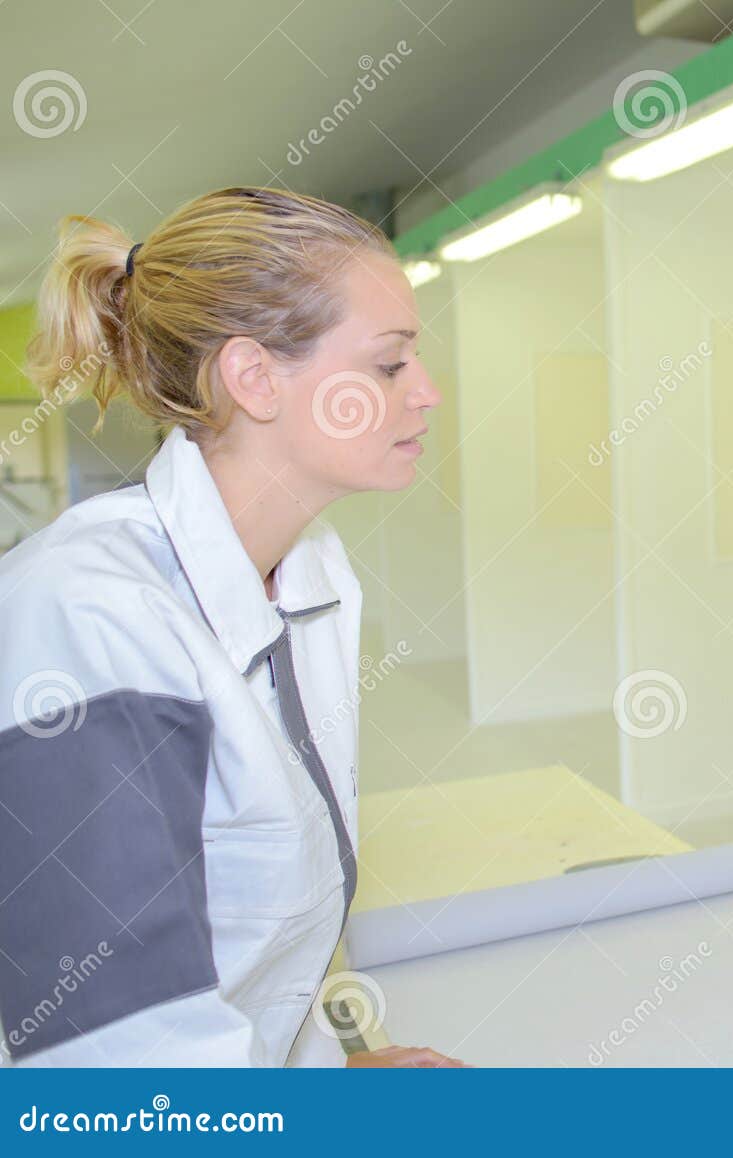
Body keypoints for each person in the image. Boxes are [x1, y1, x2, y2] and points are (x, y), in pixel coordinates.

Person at [0, 187, 460, 1067]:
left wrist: (348, 1065)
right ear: (253, 378)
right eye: (391, 365)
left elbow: (271, 924)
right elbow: (117, 1070)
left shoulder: (312, 573)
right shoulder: (87, 617)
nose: (427, 393)